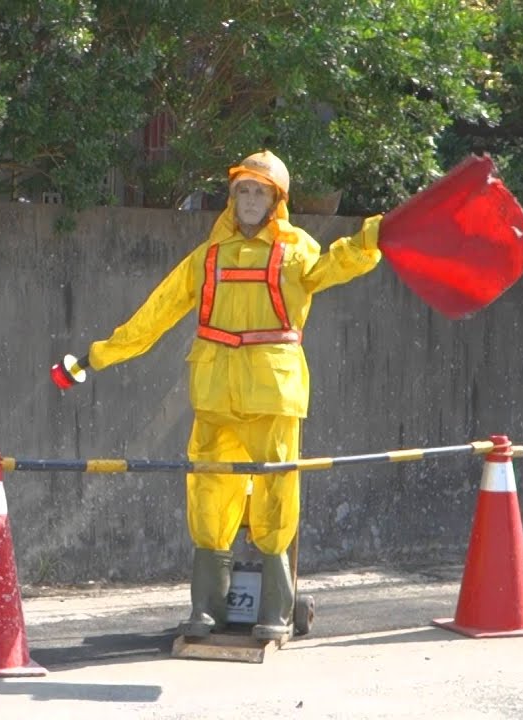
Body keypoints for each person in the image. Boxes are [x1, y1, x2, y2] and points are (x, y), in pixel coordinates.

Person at [54, 150, 382, 641]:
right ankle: (206, 606)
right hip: (214, 394)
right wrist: (97, 357)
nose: (250, 200)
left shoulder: (296, 251)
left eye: (260, 192)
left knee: (275, 492)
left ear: (277, 200)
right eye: (243, 191)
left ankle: (274, 607)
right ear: (231, 198)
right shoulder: (207, 258)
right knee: (208, 494)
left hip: (272, 393)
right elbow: (155, 314)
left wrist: (373, 240)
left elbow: (336, 265)